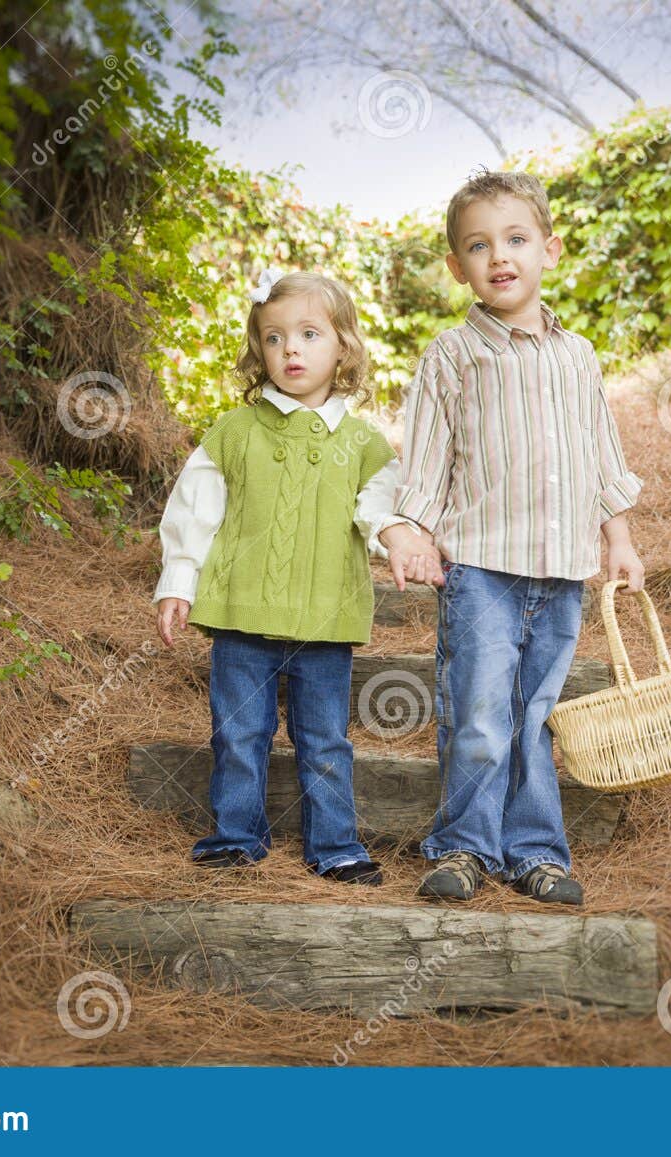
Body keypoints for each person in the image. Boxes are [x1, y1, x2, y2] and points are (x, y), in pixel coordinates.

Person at [380, 171, 645, 906]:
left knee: (535, 714)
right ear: (457, 265)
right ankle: (465, 845)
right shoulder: (452, 357)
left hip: (560, 570)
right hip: (484, 570)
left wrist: (617, 537)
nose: (500, 256)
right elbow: (429, 463)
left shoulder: (579, 355)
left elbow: (601, 455)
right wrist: (415, 532)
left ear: (549, 249)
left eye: (516, 239)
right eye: (479, 245)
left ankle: (534, 850)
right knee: (480, 713)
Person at [153, 269, 440, 881]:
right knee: (237, 732)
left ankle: (335, 844)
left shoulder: (364, 444)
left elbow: (379, 506)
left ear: (343, 347)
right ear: (259, 348)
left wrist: (397, 535)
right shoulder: (234, 431)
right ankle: (235, 833)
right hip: (240, 614)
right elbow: (193, 510)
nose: (291, 350)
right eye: (275, 336)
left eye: (310, 334)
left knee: (325, 740)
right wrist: (179, 580)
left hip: (324, 616)